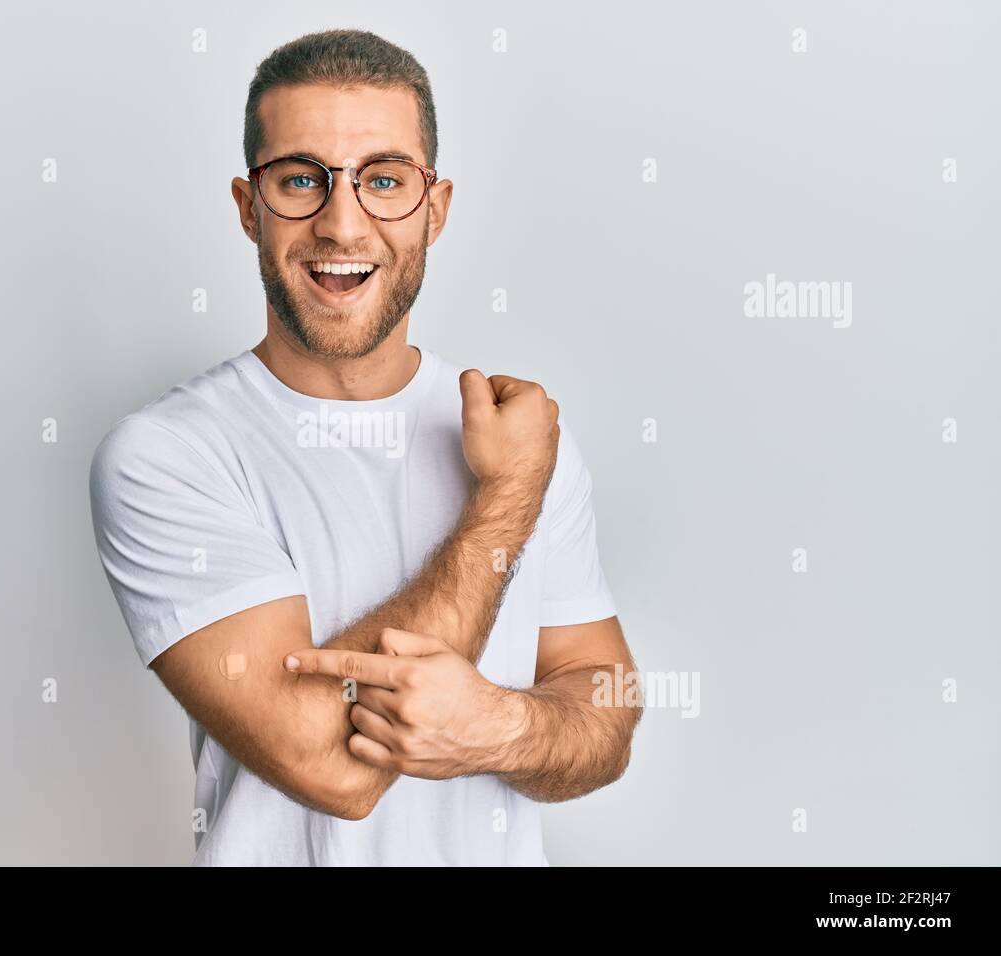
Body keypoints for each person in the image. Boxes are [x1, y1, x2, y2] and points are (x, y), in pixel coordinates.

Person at [89, 28, 641, 866]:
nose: (342, 224)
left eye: (384, 180)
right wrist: (505, 500)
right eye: (301, 180)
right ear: (249, 206)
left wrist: (497, 726)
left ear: (435, 207)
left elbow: (607, 709)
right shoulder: (167, 456)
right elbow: (326, 762)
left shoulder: (516, 439)